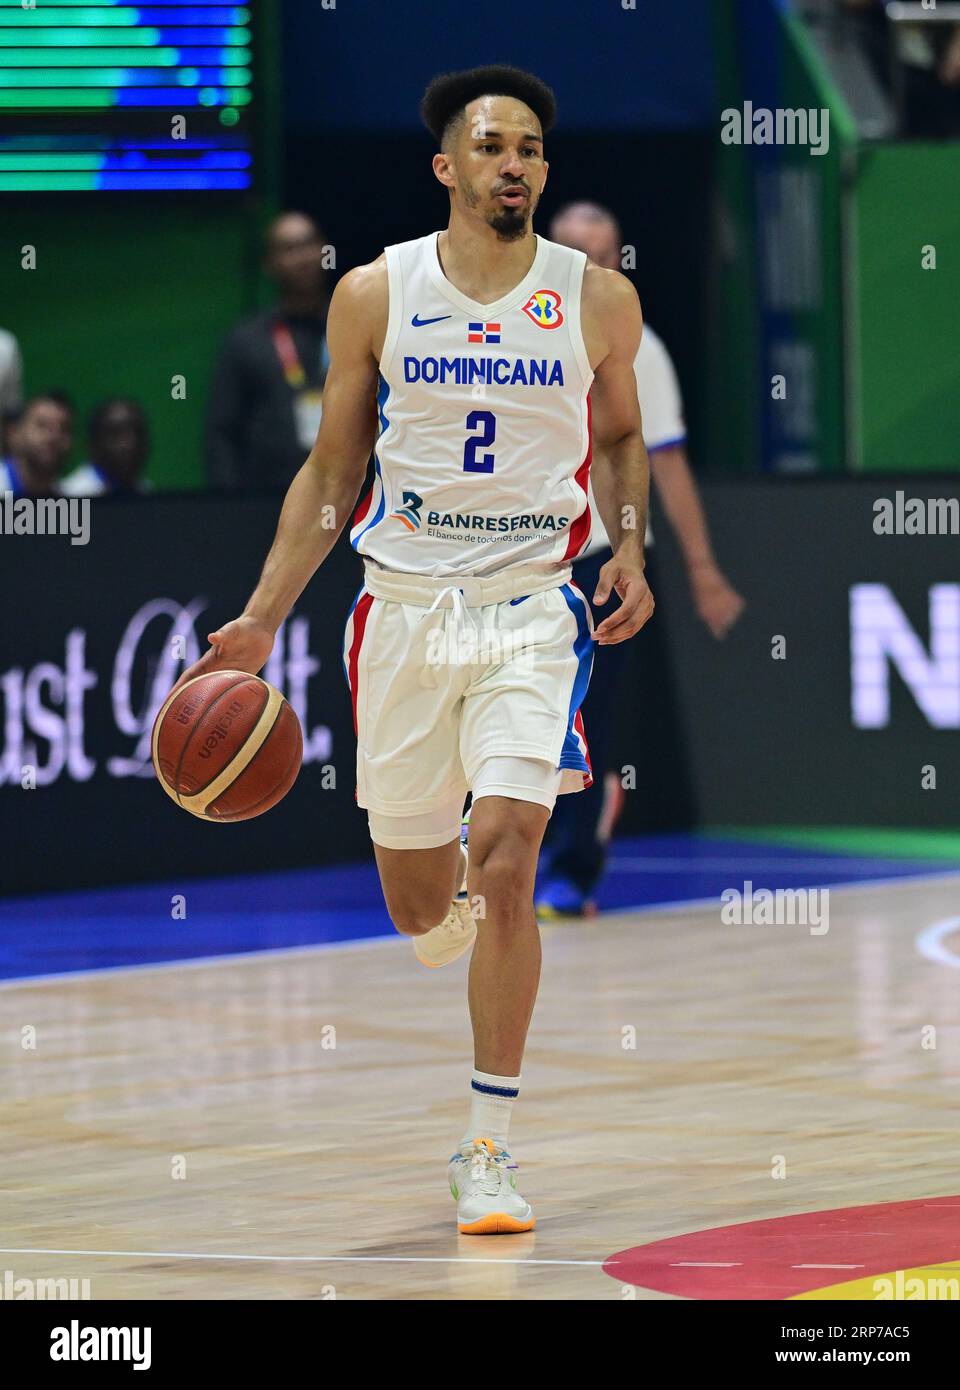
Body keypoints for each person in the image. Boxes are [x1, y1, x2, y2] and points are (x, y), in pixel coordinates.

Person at [172, 64, 654, 1235]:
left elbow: (626, 437)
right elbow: (333, 473)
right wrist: (264, 614)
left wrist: (627, 549)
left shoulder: (594, 297)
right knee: (416, 901)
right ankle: (437, 911)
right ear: (448, 167)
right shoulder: (376, 293)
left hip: (533, 608)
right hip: (402, 613)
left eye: (532, 147)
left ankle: (487, 1144)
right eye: (493, 147)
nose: (515, 164)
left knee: (508, 851)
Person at [536, 202, 746, 917]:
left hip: (597, 561)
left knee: (580, 720)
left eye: (603, 252)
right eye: (575, 249)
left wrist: (701, 567)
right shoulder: (500, 332)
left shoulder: (636, 345)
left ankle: (571, 873)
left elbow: (666, 461)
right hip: (507, 555)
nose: (590, 265)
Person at [205, 211, 331, 490]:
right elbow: (222, 434)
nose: (303, 258)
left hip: (346, 496)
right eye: (290, 249)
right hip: (265, 501)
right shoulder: (246, 340)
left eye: (310, 244)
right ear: (269, 264)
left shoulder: (352, 328)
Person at [61, 398, 152, 496]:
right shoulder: (71, 496)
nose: (129, 444)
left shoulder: (147, 493)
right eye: (116, 433)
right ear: (93, 444)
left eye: (137, 432)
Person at [0, 392, 74, 499]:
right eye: (42, 425)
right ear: (14, 433)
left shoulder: (73, 500)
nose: (54, 436)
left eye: (64, 428)